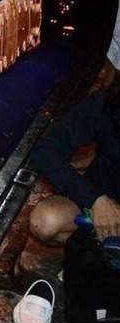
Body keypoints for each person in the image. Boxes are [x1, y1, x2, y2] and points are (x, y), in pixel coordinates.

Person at [28, 87, 120, 245]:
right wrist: (95, 200)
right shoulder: (107, 102)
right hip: (99, 201)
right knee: (44, 220)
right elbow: (45, 150)